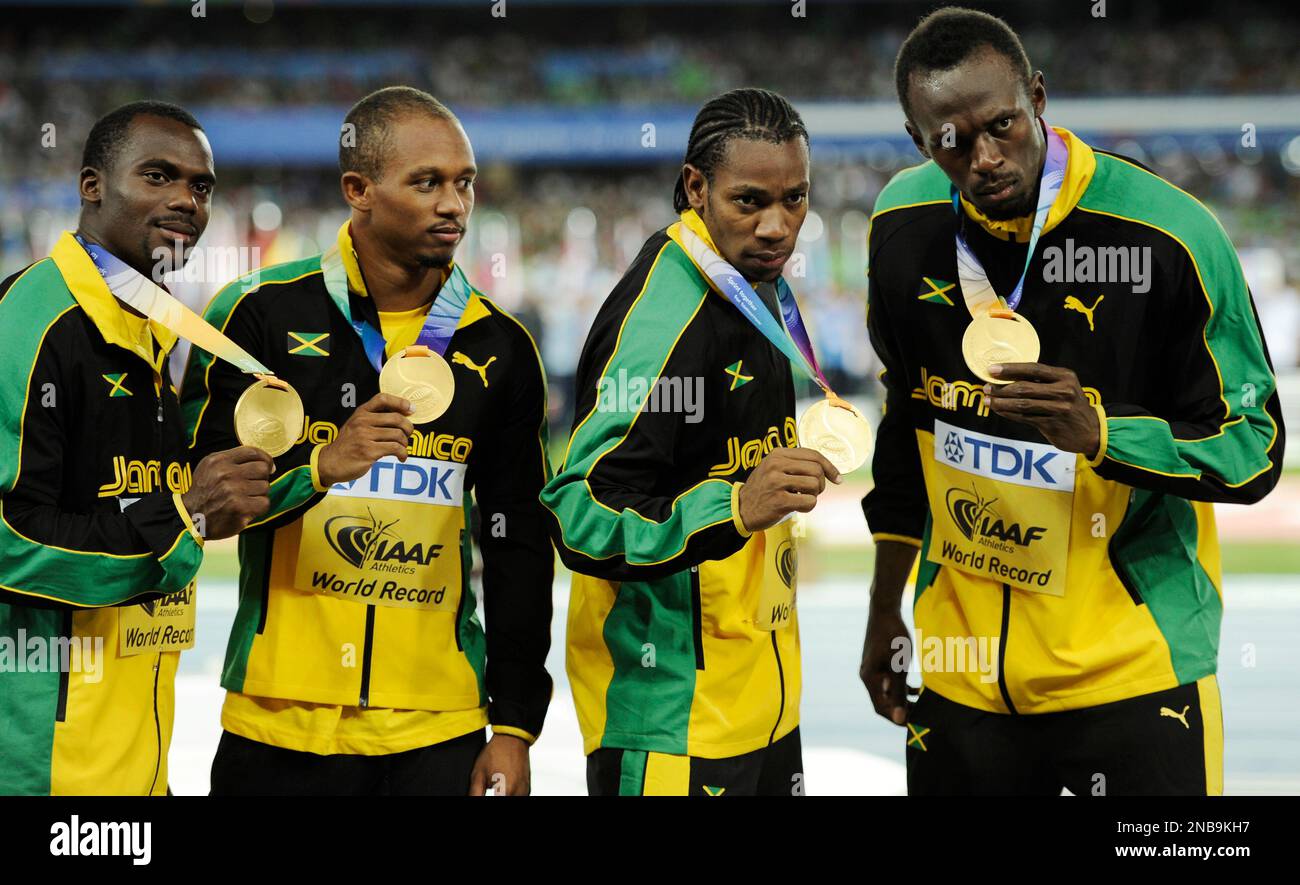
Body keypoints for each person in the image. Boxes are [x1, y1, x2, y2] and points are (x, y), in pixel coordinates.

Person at [859, 7, 1285, 795]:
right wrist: (885, 609)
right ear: (920, 141)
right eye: (952, 140)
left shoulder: (1170, 236)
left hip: (1133, 679)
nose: (985, 157)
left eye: (1003, 125)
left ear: (1039, 97)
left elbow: (1253, 444)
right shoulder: (901, 225)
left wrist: (1103, 435)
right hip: (960, 681)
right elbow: (906, 427)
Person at [181, 87, 553, 796]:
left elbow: (519, 549)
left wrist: (513, 728)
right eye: (427, 182)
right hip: (275, 720)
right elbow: (204, 506)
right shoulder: (258, 314)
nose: (455, 204)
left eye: (464, 183)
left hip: (435, 727)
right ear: (359, 189)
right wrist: (321, 465)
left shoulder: (500, 345)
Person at [542, 88, 840, 797]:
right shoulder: (660, 318)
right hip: (671, 722)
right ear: (696, 187)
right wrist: (733, 506)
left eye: (795, 198)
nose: (778, 226)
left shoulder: (752, 282)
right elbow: (576, 512)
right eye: (750, 201)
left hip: (763, 705)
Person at [0, 101, 272, 795]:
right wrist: (180, 518)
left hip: (135, 760)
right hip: (40, 766)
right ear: (92, 185)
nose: (185, 200)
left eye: (201, 186)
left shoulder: (156, 327)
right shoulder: (31, 322)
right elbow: (7, 536)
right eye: (159, 175)